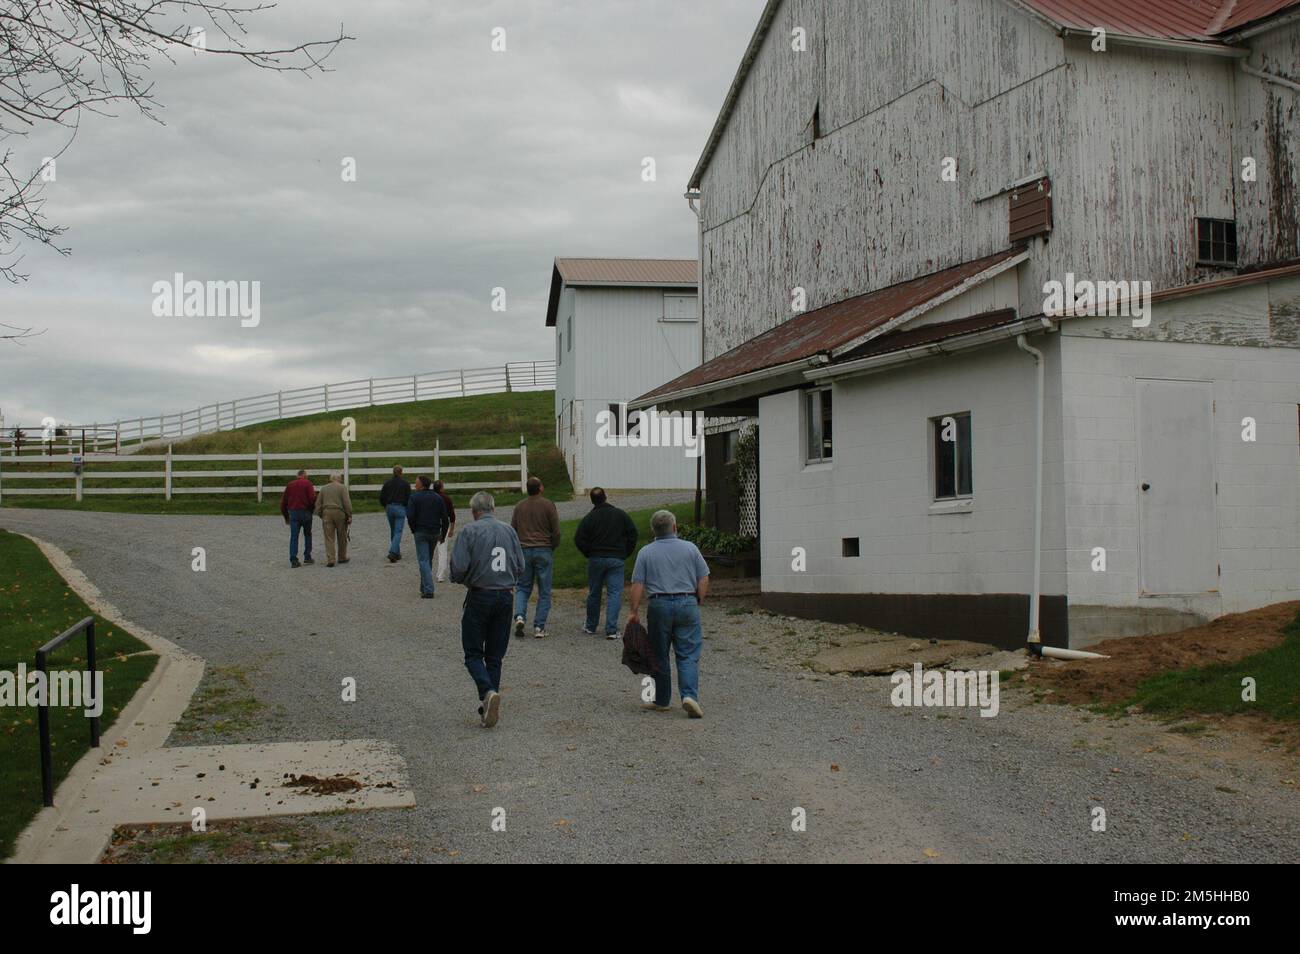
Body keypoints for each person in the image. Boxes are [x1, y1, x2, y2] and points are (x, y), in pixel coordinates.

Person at [450, 491, 525, 728]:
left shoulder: (469, 531)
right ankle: (488, 705)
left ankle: (487, 691)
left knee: (473, 652)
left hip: (480, 594)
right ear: (493, 508)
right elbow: (520, 565)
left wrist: (461, 577)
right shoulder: (509, 531)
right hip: (505, 595)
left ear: (474, 511)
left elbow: (459, 567)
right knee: (495, 655)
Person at [627, 510, 710, 718]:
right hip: (687, 601)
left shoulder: (646, 552)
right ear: (675, 527)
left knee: (659, 653)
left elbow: (637, 584)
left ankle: (662, 699)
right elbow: (703, 577)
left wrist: (633, 611)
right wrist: (698, 598)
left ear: (653, 530)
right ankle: (689, 696)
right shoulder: (690, 548)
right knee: (688, 653)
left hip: (659, 604)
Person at [574, 487, 638, 639]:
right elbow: (632, 534)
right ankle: (611, 629)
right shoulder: (620, 515)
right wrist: (625, 552)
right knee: (614, 593)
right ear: (605, 497)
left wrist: (589, 552)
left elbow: (579, 538)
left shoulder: (590, 518)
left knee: (594, 593)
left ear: (592, 500)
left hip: (596, 558)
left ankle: (590, 625)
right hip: (616, 558)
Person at [510, 476, 560, 639]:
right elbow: (556, 530)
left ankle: (519, 616)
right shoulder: (548, 505)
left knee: (523, 587)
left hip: (524, 550)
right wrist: (552, 545)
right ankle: (539, 626)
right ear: (540, 488)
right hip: (543, 549)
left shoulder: (519, 506)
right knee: (544, 590)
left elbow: (513, 529)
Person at [406, 476, 449, 598]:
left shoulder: (414, 498)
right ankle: (423, 587)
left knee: (423, 560)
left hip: (421, 531)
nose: (414, 485)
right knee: (427, 560)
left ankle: (429, 589)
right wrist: (443, 534)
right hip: (435, 532)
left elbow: (410, 516)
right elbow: (445, 518)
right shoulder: (437, 498)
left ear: (421, 485)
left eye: (416, 483)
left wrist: (414, 529)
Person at [280, 468, 317, 568]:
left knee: (294, 536)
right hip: (305, 512)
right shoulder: (308, 483)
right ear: (304, 476)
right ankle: (307, 556)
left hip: (293, 513)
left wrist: (286, 516)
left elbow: (283, 502)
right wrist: (311, 510)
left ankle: (293, 559)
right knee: (307, 534)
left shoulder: (290, 484)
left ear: (298, 475)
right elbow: (312, 499)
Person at [315, 472, 353, 567]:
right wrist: (349, 515)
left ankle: (331, 559)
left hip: (327, 512)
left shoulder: (324, 488)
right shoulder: (342, 488)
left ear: (330, 479)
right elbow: (346, 503)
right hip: (339, 513)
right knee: (342, 536)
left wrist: (321, 514)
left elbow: (318, 504)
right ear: (339, 479)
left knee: (329, 537)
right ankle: (342, 557)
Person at [380, 465, 412, 563]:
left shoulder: (387, 483)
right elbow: (408, 497)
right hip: (400, 507)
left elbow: (382, 497)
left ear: (393, 472)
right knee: (398, 531)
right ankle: (393, 552)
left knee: (393, 530)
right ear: (401, 472)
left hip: (389, 507)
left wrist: (385, 506)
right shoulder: (405, 484)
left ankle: (396, 553)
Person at [433, 479, 457, 583]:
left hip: (431, 524)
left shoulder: (431, 498)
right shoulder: (447, 499)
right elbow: (452, 515)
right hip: (444, 524)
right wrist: (451, 528)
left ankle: (428, 572)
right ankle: (441, 575)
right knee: (442, 550)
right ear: (442, 488)